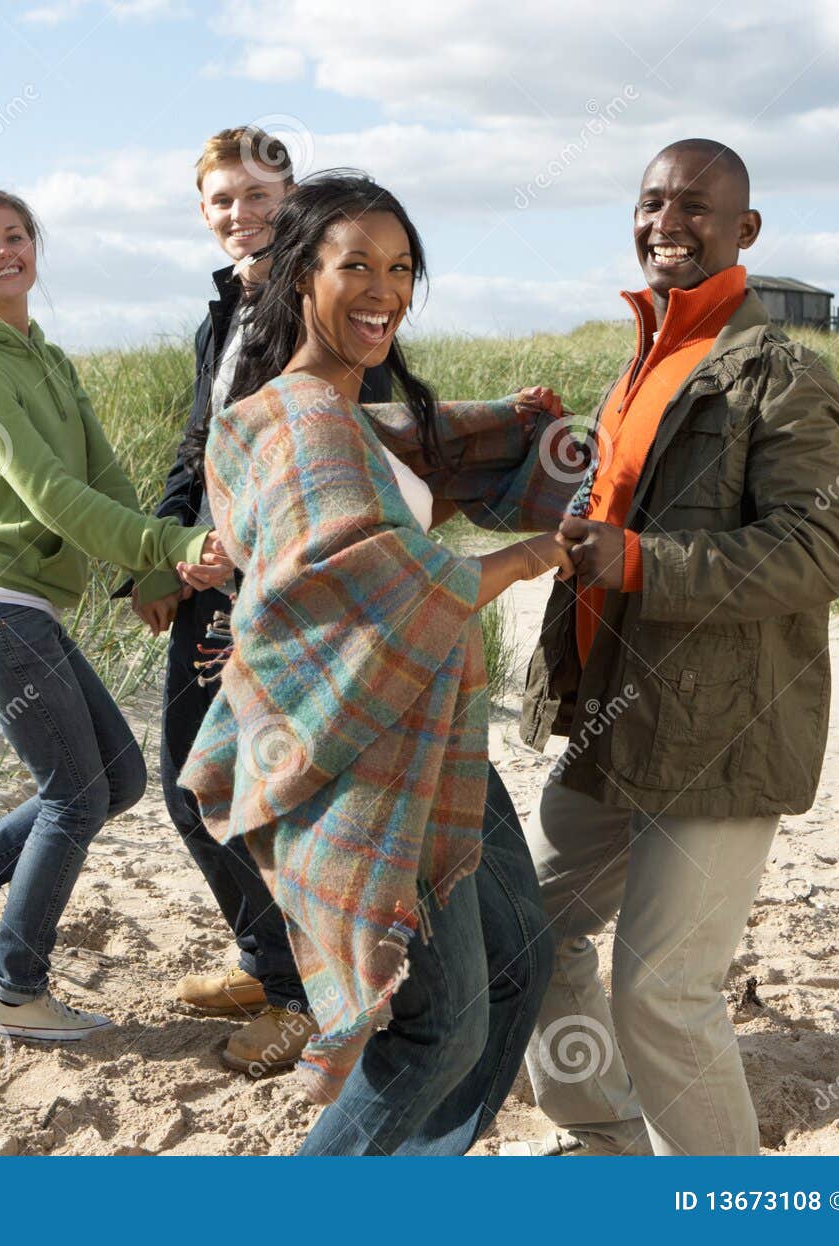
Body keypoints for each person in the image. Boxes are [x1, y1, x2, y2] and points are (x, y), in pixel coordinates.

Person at [179, 172, 579, 1154]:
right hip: (375, 765)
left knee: (517, 960)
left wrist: (525, 425)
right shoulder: (309, 424)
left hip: (437, 745)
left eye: (400, 268)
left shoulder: (331, 414)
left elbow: (414, 460)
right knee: (439, 1027)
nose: (384, 288)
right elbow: (363, 567)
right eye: (354, 263)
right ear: (296, 278)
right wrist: (528, 556)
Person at [513, 140, 839, 1154]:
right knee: (526, 929)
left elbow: (816, 550)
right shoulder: (643, 357)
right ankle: (607, 1136)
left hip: (716, 738)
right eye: (653, 201)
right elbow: (621, 508)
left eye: (697, 207)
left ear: (744, 231)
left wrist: (639, 563)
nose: (669, 220)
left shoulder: (781, 370)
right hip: (616, 718)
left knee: (662, 992)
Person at [0, 181, 215, 1042]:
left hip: (23, 611)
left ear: (34, 245)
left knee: (117, 779)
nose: (3, 253)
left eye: (14, 235)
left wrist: (154, 561)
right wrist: (179, 549)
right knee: (76, 794)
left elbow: (101, 475)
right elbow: (47, 494)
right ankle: (13, 994)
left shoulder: (49, 357)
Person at [113, 127, 393, 1075]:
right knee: (195, 787)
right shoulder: (220, 311)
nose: (244, 214)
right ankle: (269, 960)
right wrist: (161, 552)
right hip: (204, 581)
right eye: (224, 199)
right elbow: (201, 443)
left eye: (263, 197)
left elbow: (340, 448)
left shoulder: (324, 307)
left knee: (228, 794)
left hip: (280, 590)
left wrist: (239, 545)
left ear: (297, 205)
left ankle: (298, 993)